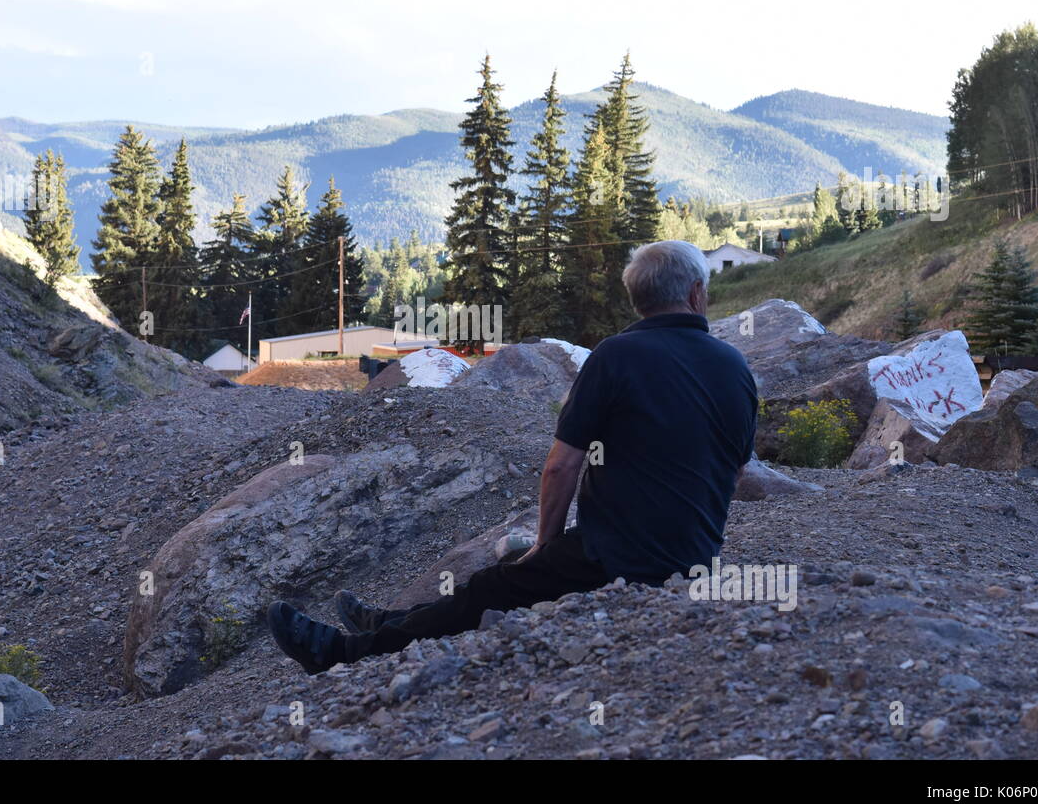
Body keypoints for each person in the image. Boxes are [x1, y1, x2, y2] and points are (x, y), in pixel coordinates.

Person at [268, 239, 758, 674]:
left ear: (639, 298)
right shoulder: (735, 366)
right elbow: (735, 473)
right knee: (500, 582)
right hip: (695, 554)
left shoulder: (617, 356)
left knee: (496, 584)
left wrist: (546, 542)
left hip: (622, 554)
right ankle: (387, 622)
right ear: (696, 294)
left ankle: (342, 653)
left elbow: (562, 464)